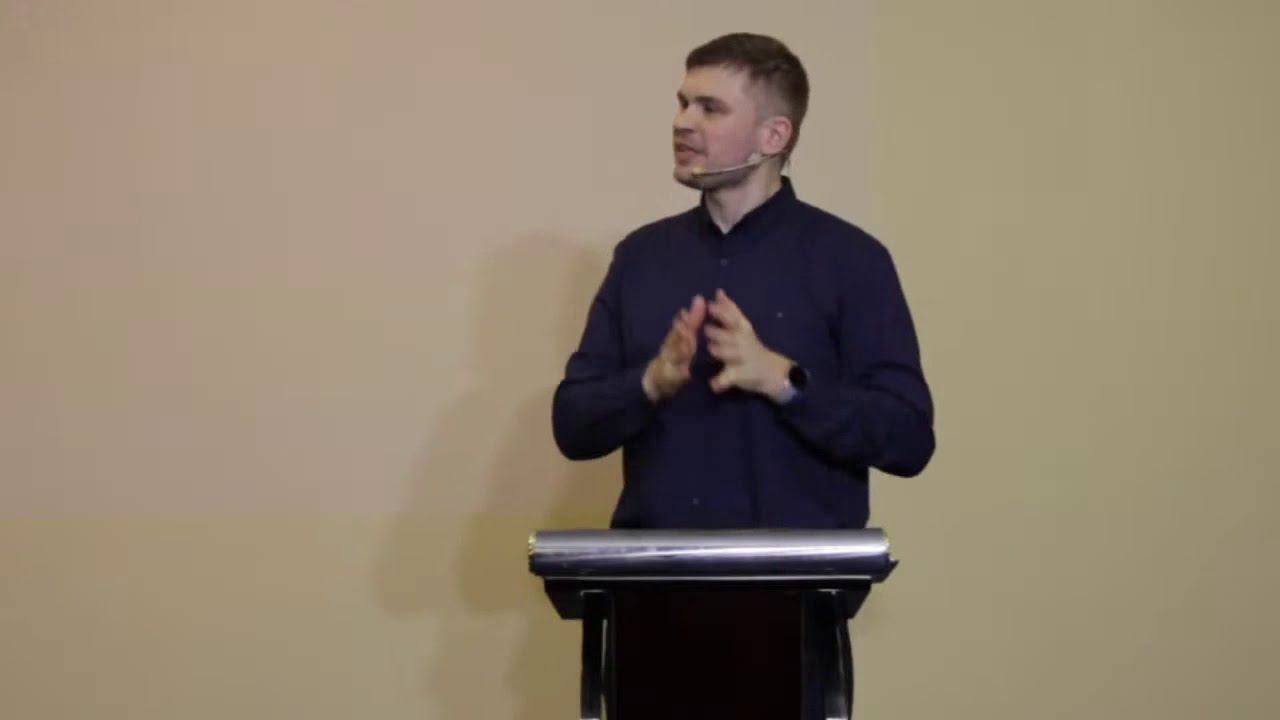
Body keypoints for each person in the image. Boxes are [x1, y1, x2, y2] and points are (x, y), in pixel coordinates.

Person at [549, 33, 935, 718]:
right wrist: (649, 384)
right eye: (681, 103)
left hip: (795, 617)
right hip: (650, 613)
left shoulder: (851, 260)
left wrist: (785, 381)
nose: (682, 122)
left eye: (710, 108)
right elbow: (572, 424)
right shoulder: (641, 260)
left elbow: (908, 436)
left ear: (772, 136)